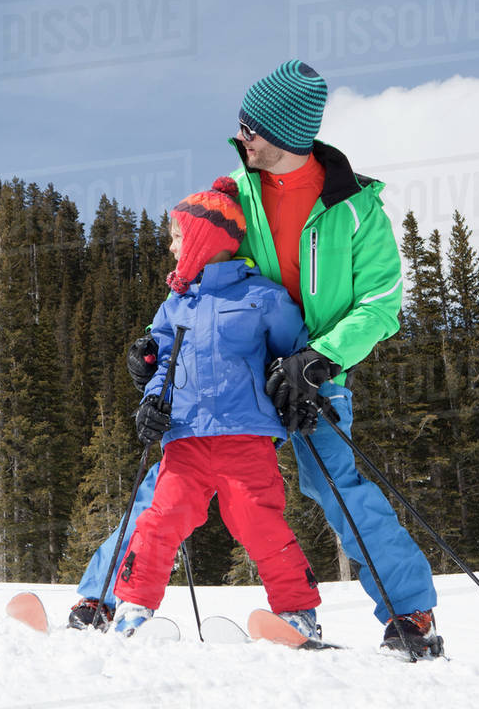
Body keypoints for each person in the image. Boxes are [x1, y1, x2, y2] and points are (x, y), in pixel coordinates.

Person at [71, 60, 442, 657]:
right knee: (166, 485)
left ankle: (410, 615)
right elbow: (196, 276)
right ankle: (103, 600)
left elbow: (380, 302)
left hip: (311, 373)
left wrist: (319, 359)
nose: (239, 137)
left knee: (334, 483)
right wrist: (155, 347)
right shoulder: (232, 193)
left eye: (250, 128)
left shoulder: (355, 208)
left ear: (286, 133)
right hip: (233, 375)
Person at [108, 180, 322, 642]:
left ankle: (297, 613)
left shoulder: (262, 297)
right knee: (159, 521)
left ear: (204, 239)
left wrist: (302, 392)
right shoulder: (176, 304)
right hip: (184, 437)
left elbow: (293, 353)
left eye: (178, 236)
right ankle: (133, 608)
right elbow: (161, 362)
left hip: (245, 436)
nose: (171, 245)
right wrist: (149, 403)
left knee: (258, 522)